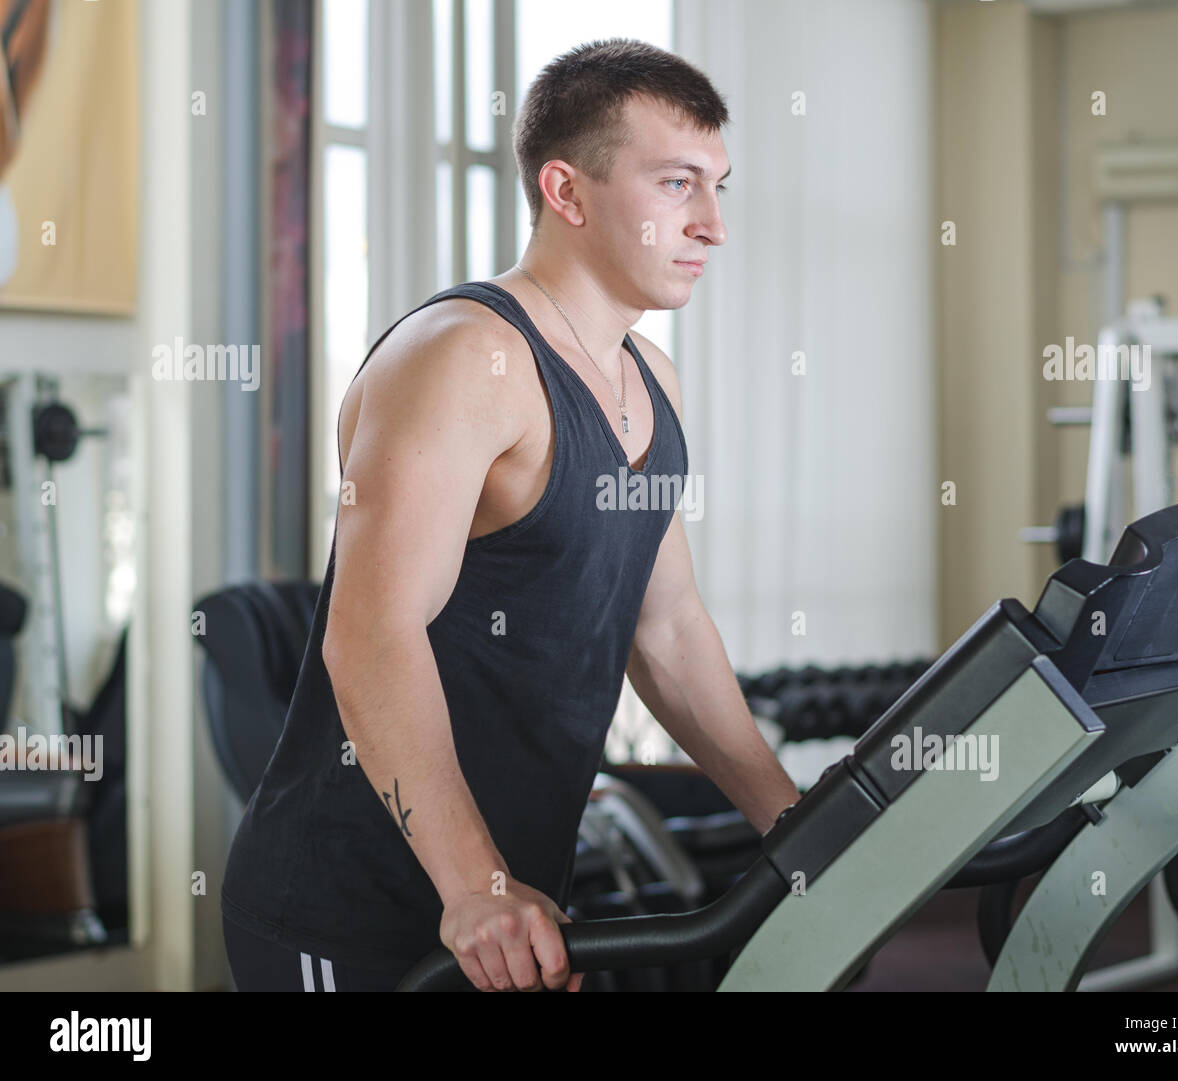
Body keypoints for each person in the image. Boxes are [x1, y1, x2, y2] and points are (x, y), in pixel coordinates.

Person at [221, 37, 801, 993]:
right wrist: (476, 884)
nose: (711, 225)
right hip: (354, 904)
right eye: (676, 184)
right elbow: (370, 637)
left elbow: (666, 628)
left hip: (511, 904)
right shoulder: (460, 359)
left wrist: (796, 823)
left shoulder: (651, 384)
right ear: (566, 193)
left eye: (718, 187)